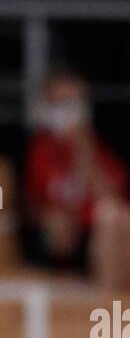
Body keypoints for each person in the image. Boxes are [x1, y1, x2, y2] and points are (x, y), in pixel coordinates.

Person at [22, 70, 130, 288]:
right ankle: (107, 310)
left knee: (116, 217)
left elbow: (111, 196)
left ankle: (112, 307)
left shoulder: (98, 147)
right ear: (45, 106)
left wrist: (83, 150)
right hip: (62, 240)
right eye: (63, 102)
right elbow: (32, 206)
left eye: (76, 102)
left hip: (99, 234)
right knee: (111, 218)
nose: (71, 110)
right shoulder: (36, 149)